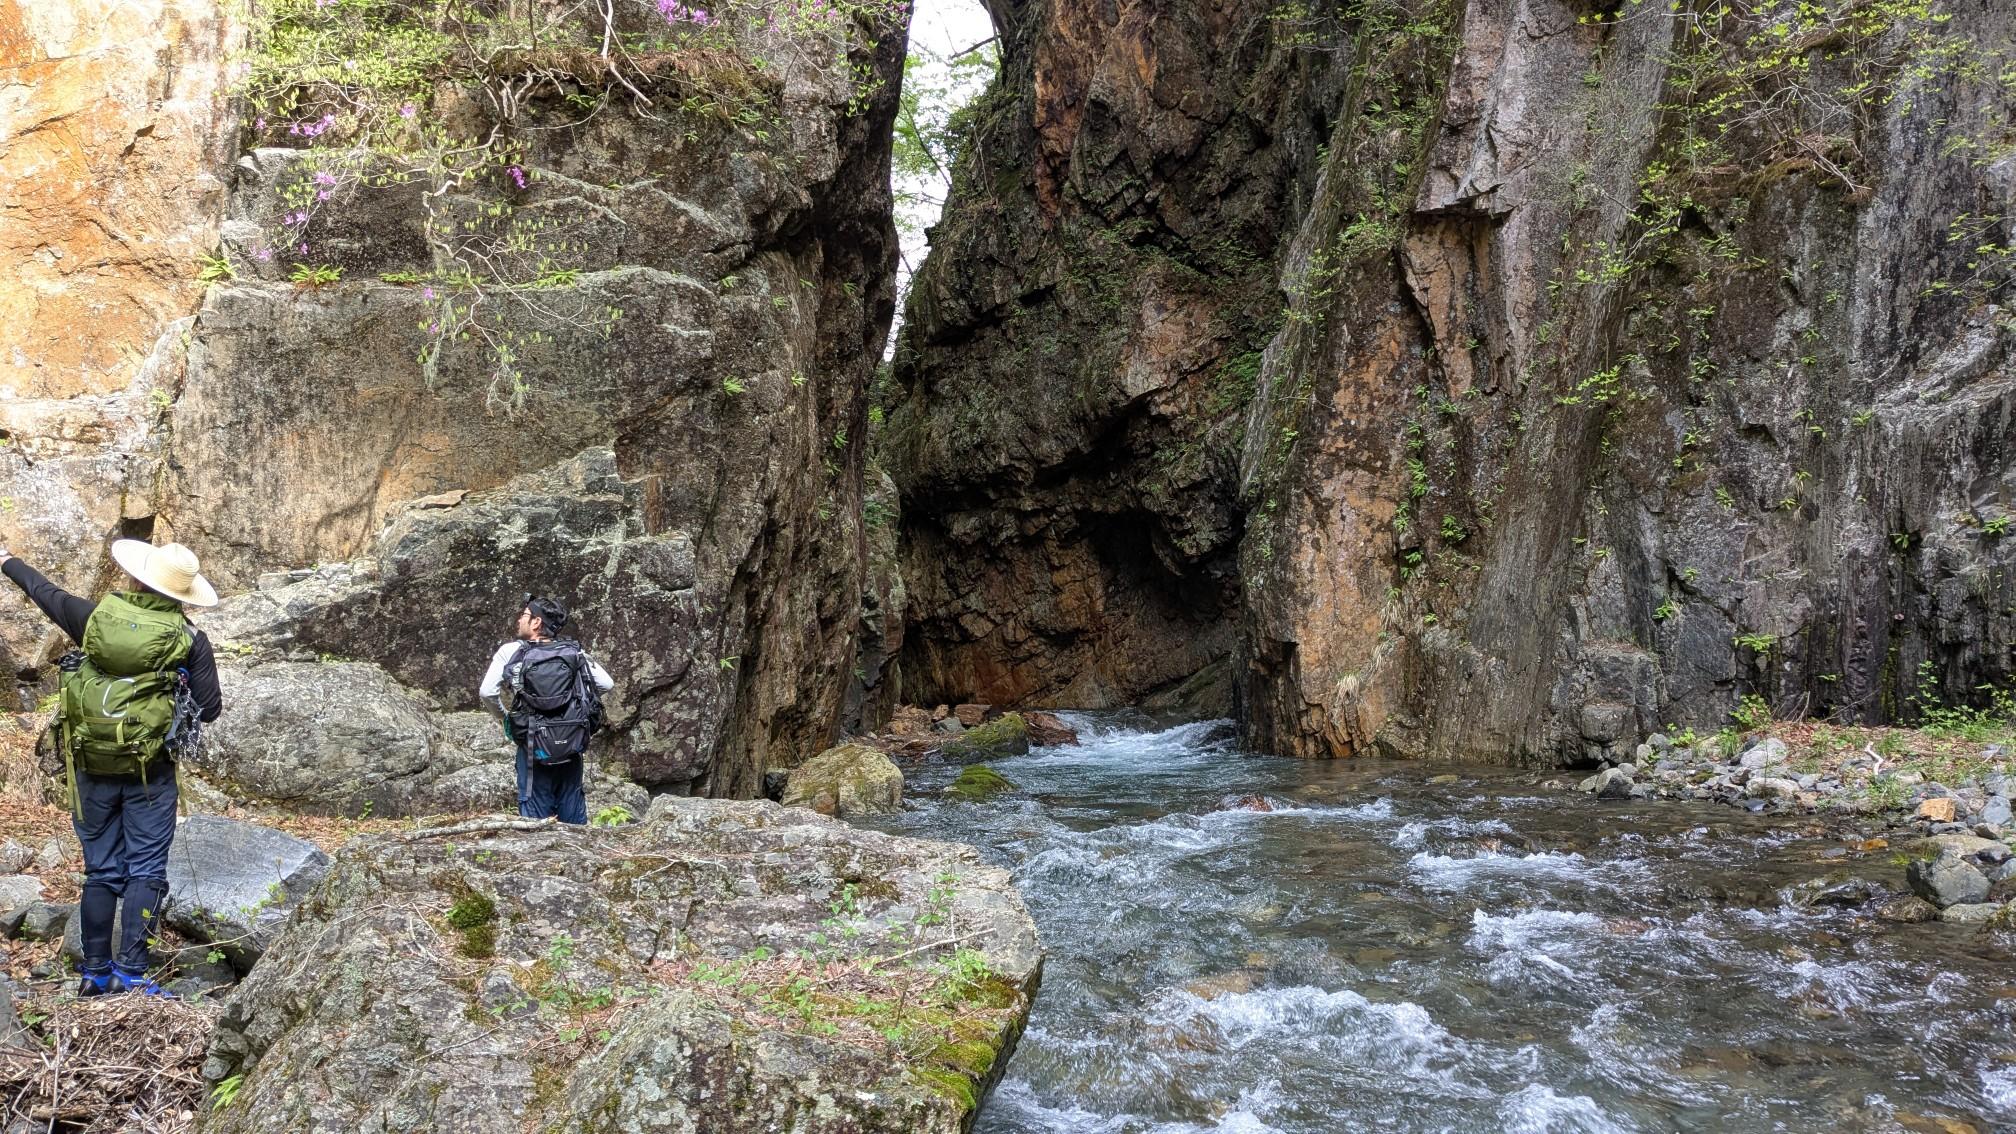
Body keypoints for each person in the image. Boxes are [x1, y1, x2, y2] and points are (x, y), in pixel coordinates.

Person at [0, 540, 223, 997]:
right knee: (146, 870)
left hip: (89, 766)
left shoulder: (95, 619)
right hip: (151, 775)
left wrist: (7, 561)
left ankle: (94, 973)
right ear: (181, 594)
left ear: (137, 578)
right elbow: (210, 708)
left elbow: (45, 593)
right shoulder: (190, 639)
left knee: (101, 871)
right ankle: (132, 974)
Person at [479, 595, 612, 825]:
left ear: (536, 623)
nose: (520, 619)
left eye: (525, 615)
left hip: (533, 742)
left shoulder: (511, 651)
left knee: (535, 814)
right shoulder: (573, 653)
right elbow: (606, 683)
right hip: (571, 742)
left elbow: (487, 692)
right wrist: (574, 707)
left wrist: (506, 719)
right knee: (572, 805)